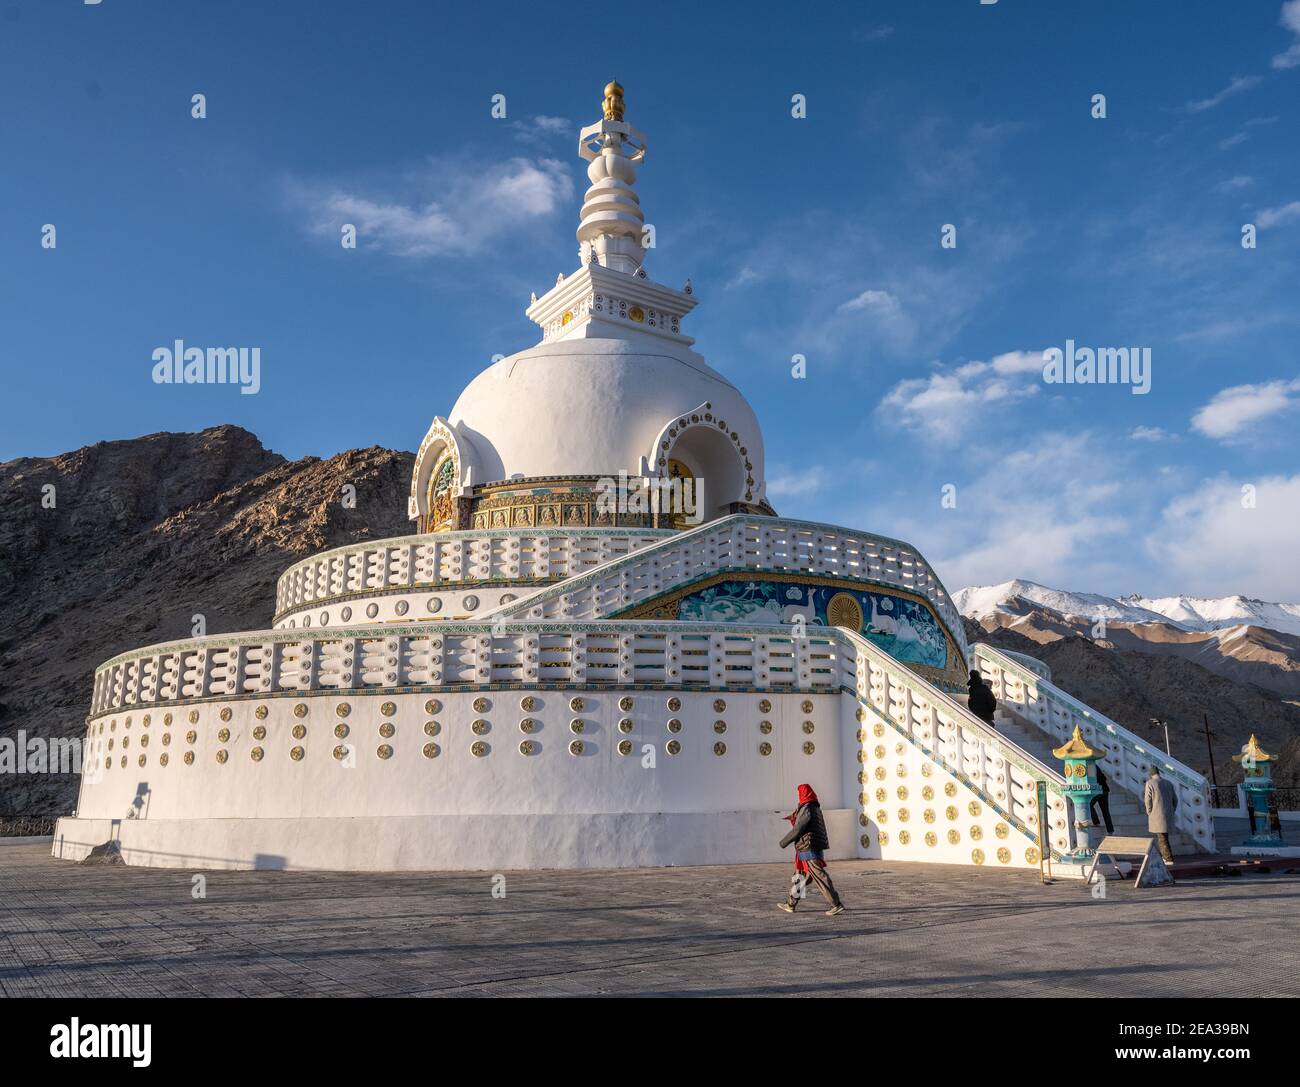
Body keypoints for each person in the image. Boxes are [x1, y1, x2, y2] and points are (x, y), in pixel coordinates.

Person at [778, 783, 844, 916]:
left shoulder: (807, 807)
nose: (798, 795)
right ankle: (791, 903)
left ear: (803, 793)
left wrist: (783, 842)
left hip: (808, 847)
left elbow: (799, 828)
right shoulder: (813, 807)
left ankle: (836, 904)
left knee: (819, 876)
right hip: (808, 847)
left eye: (799, 793)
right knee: (801, 877)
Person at [1143, 767, 1178, 865]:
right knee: (1163, 836)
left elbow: (1147, 800)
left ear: (1151, 774)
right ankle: (1165, 857)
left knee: (1162, 837)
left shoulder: (1150, 783)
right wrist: (1172, 810)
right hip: (1168, 813)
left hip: (1157, 814)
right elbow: (1175, 800)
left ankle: (1168, 858)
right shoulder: (1168, 783)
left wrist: (1149, 812)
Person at [1090, 765, 1114, 834]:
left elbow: (1092, 779)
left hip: (1099, 790)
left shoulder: (1090, 766)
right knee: (1105, 811)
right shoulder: (1095, 765)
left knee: (1089, 804)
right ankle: (1110, 830)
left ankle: (1096, 822)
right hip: (1105, 789)